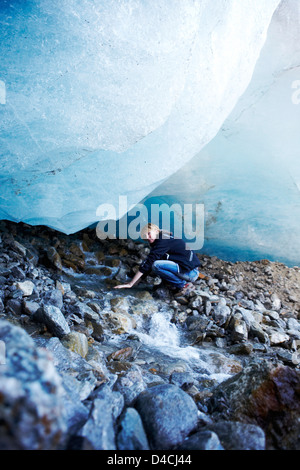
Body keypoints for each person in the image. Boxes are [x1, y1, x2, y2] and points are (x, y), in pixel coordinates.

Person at [114, 223, 201, 294]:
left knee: (157, 265)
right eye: (145, 237)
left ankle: (183, 285)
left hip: (191, 273)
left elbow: (150, 262)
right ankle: (176, 283)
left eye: (149, 233)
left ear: (156, 231)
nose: (148, 238)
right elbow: (149, 262)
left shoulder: (162, 240)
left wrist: (131, 283)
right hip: (189, 270)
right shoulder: (164, 238)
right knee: (156, 264)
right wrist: (137, 281)